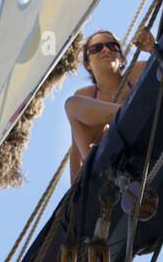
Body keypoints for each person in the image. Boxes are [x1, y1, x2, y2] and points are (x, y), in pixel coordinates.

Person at [64, 26, 155, 183]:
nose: (105, 50)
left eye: (112, 46)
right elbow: (76, 152)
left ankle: (129, 114)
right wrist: (74, 194)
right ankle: (95, 175)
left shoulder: (137, 71)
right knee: (71, 105)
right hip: (108, 162)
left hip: (143, 134)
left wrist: (153, 48)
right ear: (87, 63)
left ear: (122, 59)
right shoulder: (84, 96)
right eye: (96, 48)